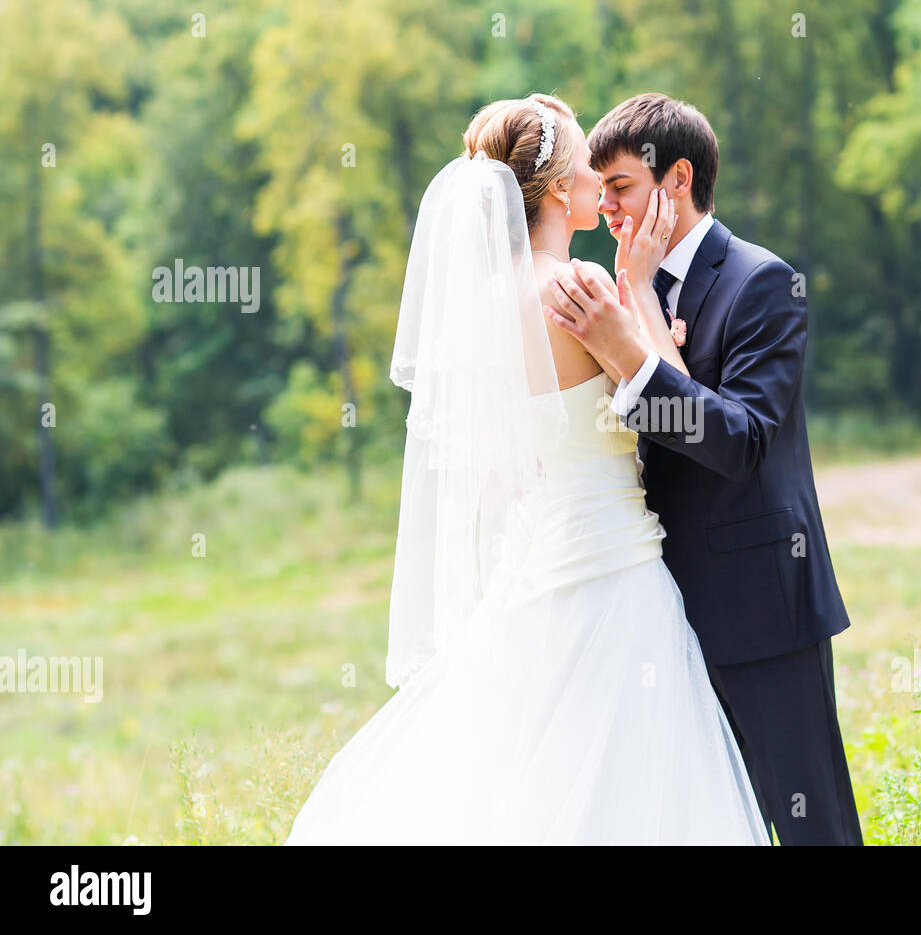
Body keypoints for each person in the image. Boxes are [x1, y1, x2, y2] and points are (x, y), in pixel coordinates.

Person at [285, 93, 768, 845]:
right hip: (614, 567)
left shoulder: (478, 304)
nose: (599, 185)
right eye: (586, 168)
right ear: (556, 191)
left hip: (534, 571)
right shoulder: (580, 289)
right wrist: (637, 289)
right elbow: (680, 417)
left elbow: (499, 471)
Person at [544, 93, 862, 845]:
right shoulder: (626, 290)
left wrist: (633, 356)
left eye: (619, 186)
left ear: (676, 178)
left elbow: (742, 440)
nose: (609, 208)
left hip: (760, 607)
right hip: (651, 609)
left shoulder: (762, 283)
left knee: (811, 822)